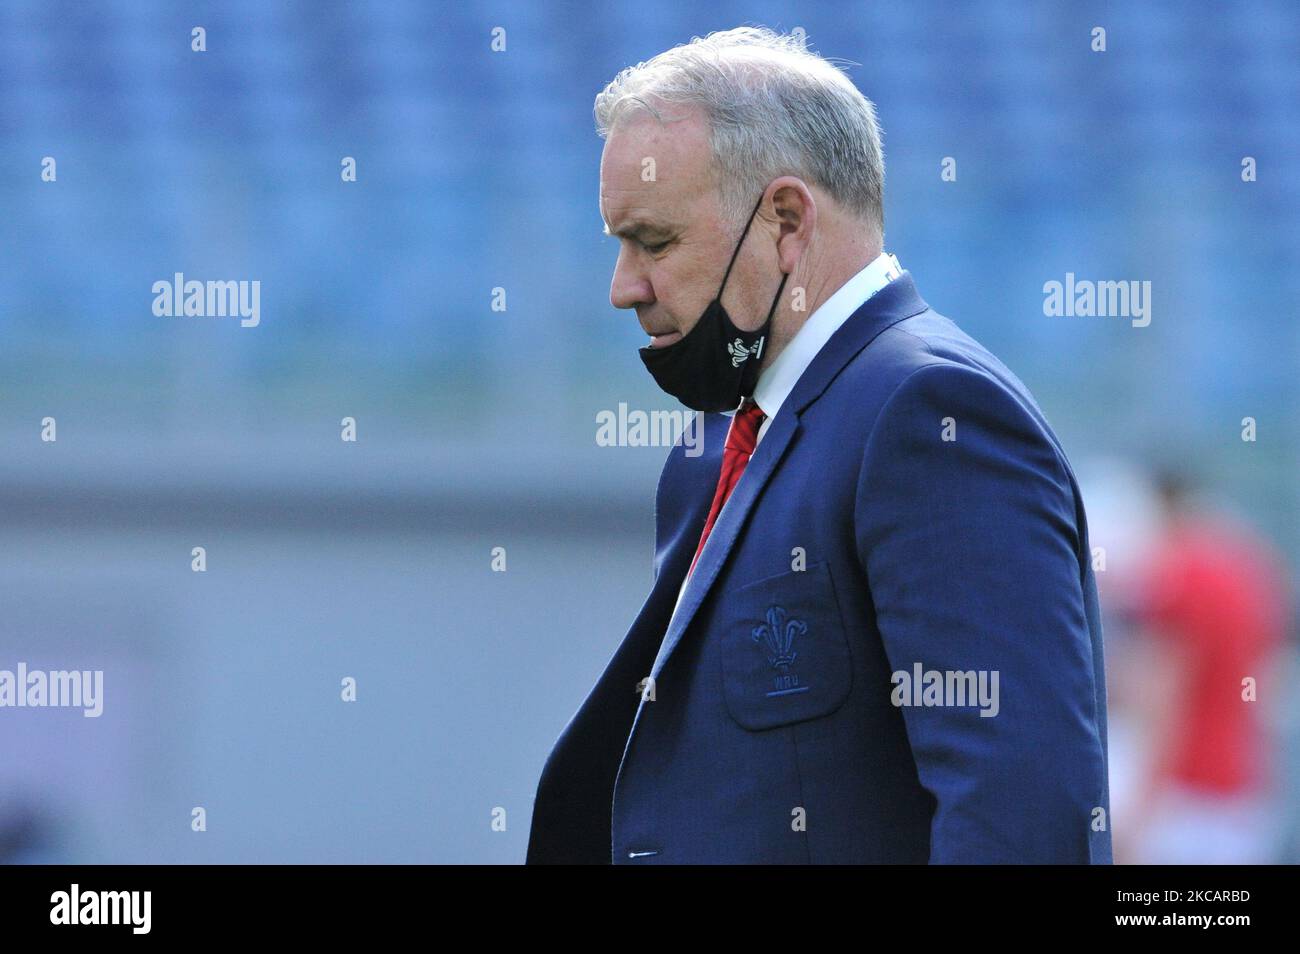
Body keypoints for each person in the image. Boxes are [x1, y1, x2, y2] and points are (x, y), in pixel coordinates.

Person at [527, 26, 1112, 864]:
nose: (624, 287)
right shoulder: (716, 451)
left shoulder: (931, 415)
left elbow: (1021, 812)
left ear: (787, 221)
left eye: (654, 242)